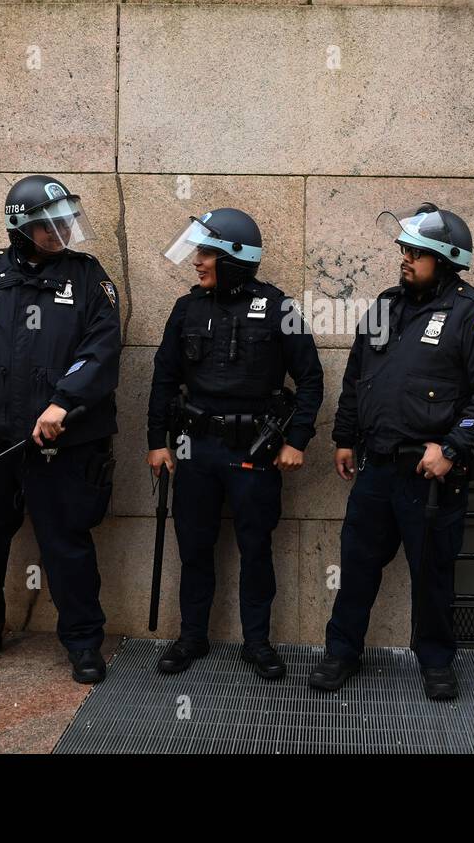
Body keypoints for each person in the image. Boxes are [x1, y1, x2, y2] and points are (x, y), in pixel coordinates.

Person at [308, 204, 474, 701]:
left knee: (433, 576)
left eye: (417, 252)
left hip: (431, 477)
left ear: (444, 259)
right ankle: (342, 652)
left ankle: (437, 661)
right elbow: (359, 377)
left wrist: (451, 446)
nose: (405, 258)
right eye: (404, 249)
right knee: (357, 566)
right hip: (376, 467)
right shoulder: (385, 306)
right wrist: (343, 436)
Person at [0, 175, 122, 684]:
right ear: (20, 228)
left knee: (67, 544)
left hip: (60, 442)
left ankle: (82, 643)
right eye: (47, 225)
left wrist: (63, 404)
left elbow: (100, 353)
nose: (60, 232)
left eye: (64, 222)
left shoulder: (89, 278)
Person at [146, 209, 322, 679]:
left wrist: (297, 439)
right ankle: (192, 637)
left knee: (256, 548)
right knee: (195, 547)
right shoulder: (187, 309)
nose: (197, 261)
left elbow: (311, 378)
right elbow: (163, 378)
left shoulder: (279, 308)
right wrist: (157, 442)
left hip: (254, 452)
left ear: (234, 258)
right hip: (195, 450)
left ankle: (257, 642)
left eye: (206, 253)